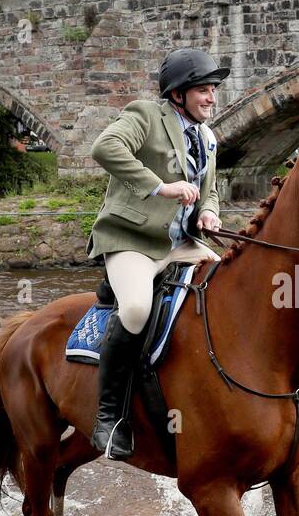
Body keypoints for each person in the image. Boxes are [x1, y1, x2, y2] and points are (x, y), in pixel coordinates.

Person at [87, 49, 228, 458]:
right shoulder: (146, 114)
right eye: (204, 90)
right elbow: (105, 147)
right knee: (134, 310)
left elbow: (211, 191)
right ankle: (109, 417)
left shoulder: (207, 137)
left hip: (182, 245)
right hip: (132, 240)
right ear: (179, 93)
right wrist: (160, 187)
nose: (211, 97)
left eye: (213, 90)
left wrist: (209, 214)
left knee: (233, 290)